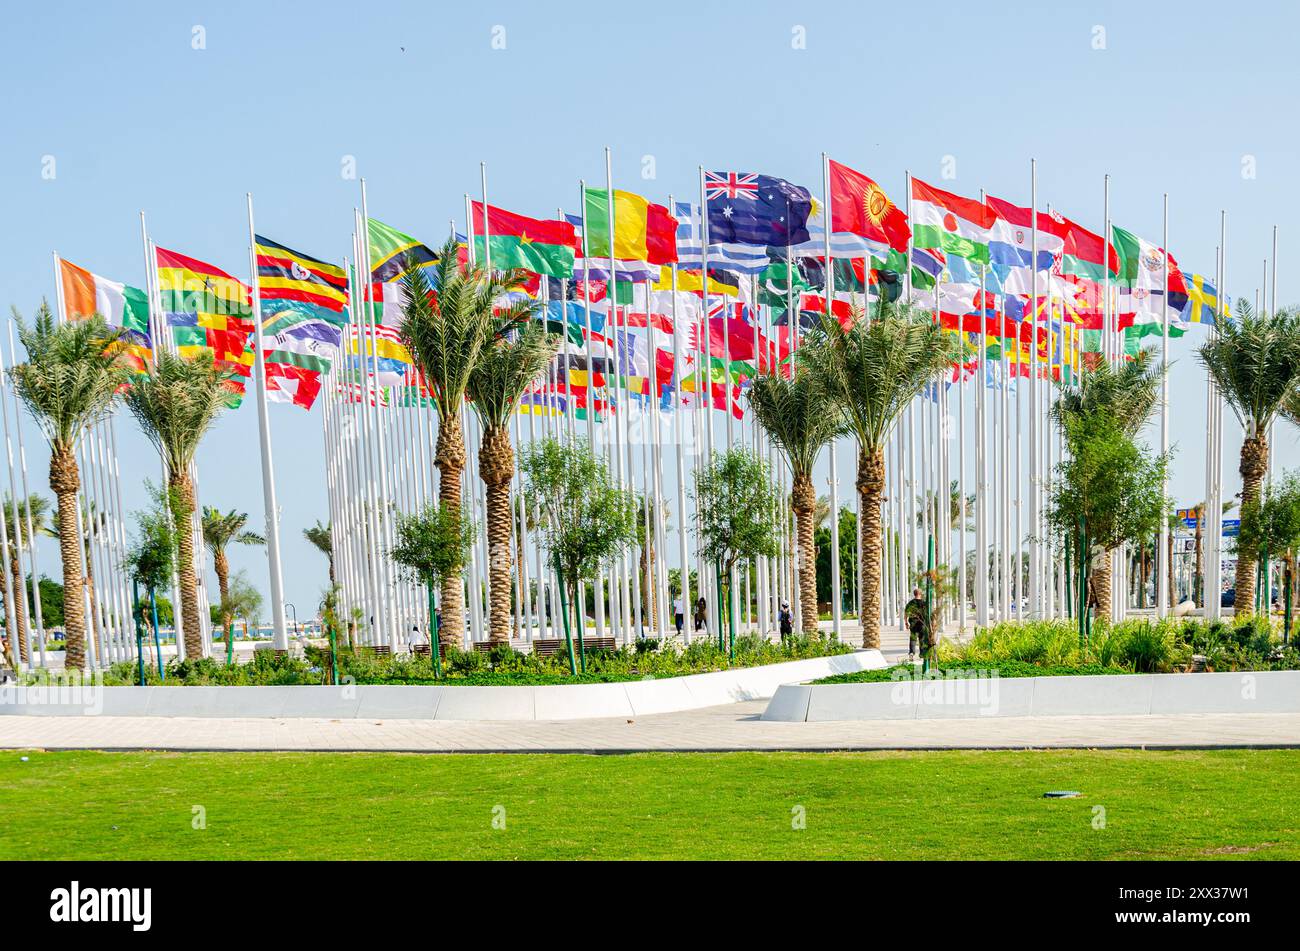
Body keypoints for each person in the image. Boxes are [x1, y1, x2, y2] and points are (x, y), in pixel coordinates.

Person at [904, 587, 931, 662]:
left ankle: (911, 653)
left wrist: (906, 622)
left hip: (913, 623)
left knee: (913, 638)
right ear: (920, 594)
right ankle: (922, 654)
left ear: (914, 594)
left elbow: (906, 613)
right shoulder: (924, 603)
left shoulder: (910, 603)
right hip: (922, 624)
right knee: (922, 638)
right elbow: (928, 614)